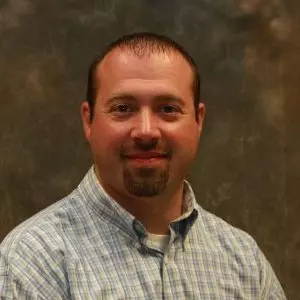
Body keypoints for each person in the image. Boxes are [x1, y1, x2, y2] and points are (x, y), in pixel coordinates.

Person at [0, 32, 286, 299]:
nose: (146, 131)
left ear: (198, 121)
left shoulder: (244, 261)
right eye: (123, 108)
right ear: (88, 121)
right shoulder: (31, 262)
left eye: (168, 109)